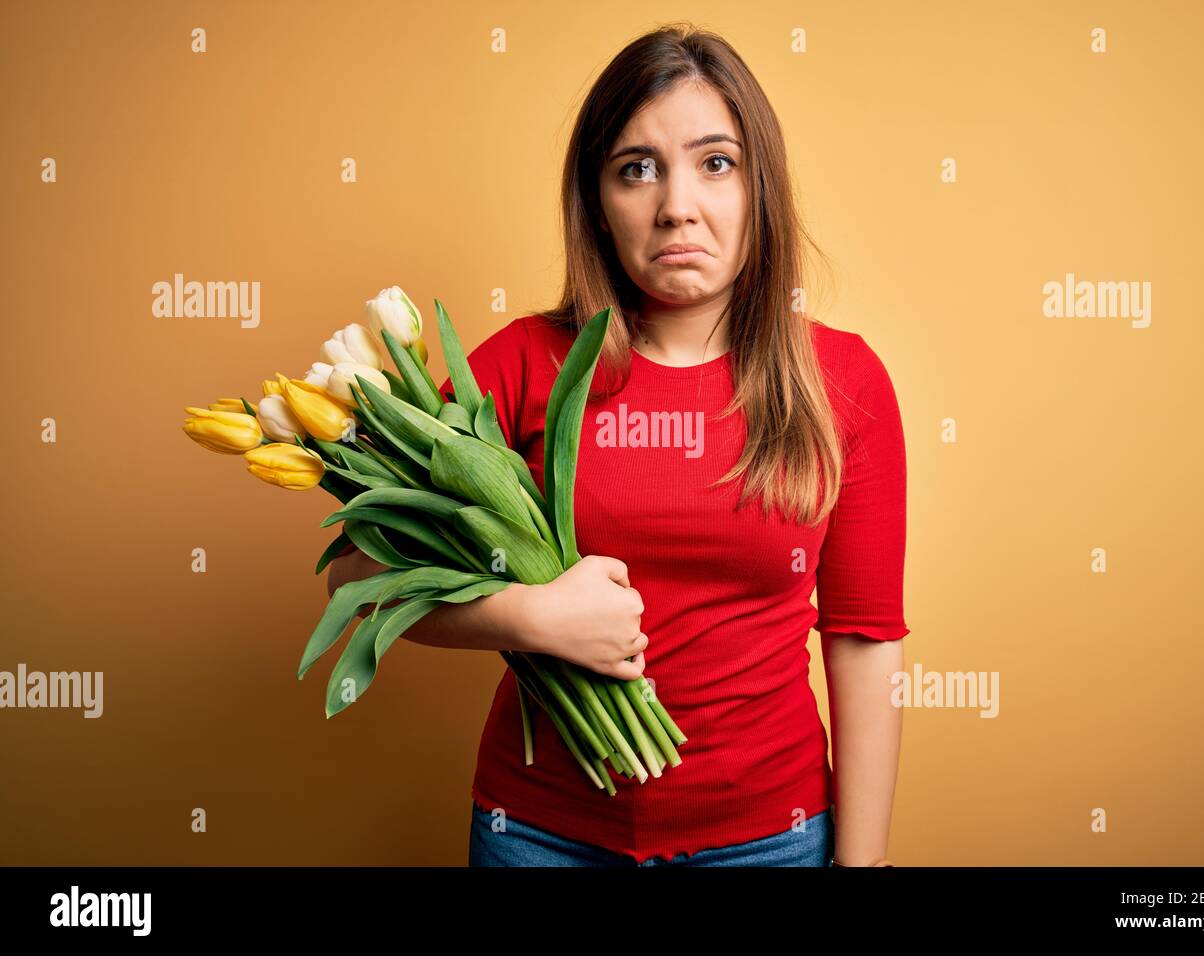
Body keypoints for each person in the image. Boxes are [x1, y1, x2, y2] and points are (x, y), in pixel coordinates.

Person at [327, 23, 908, 868]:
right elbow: (357, 572)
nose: (678, 204)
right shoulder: (526, 363)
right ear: (597, 203)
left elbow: (863, 639)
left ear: (760, 188)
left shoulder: (843, 383)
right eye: (637, 169)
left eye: (716, 163)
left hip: (773, 842)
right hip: (538, 838)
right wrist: (531, 616)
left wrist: (865, 866)